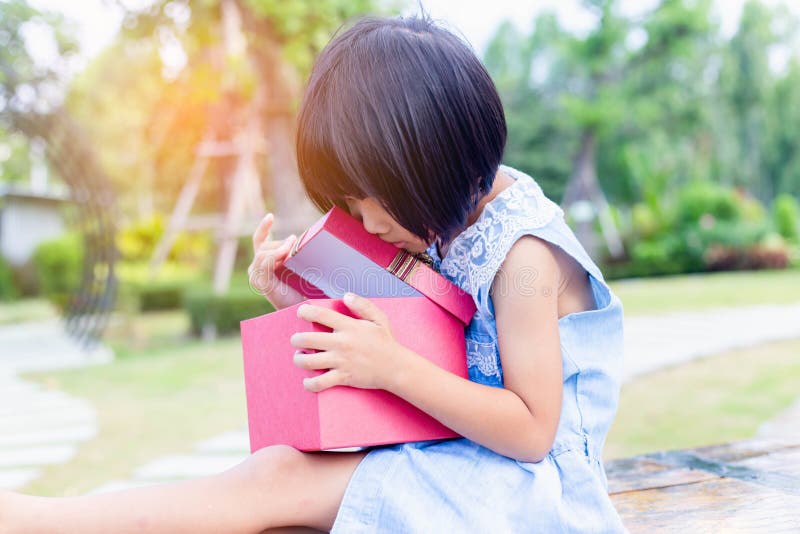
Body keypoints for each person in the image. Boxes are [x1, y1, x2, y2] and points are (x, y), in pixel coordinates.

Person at [0, 14, 626, 534]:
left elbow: (532, 431)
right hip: (477, 466)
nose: (364, 221)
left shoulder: (523, 259)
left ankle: (42, 522)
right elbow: (431, 343)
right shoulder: (457, 221)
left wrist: (392, 367)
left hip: (540, 499)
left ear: (425, 160)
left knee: (278, 486)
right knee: (281, 479)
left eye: (365, 198)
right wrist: (298, 301)